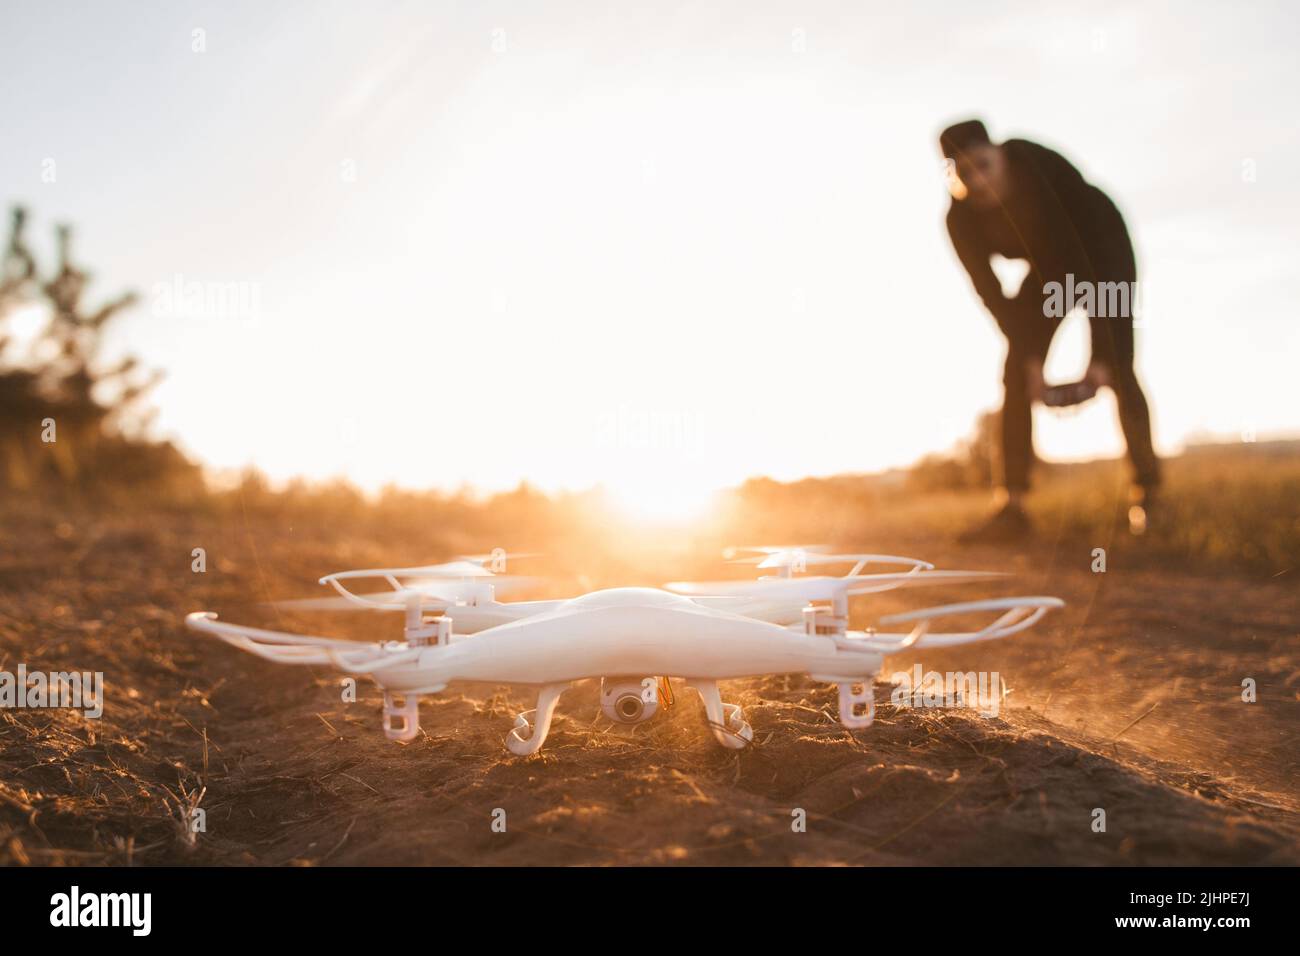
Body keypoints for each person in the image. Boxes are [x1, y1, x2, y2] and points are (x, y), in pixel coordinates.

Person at [939, 119, 1160, 541]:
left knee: (1120, 370)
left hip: (1103, 253)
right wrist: (1030, 362)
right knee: (1014, 376)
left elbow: (1097, 264)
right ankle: (1013, 506)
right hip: (1046, 271)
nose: (979, 181)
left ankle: (1147, 496)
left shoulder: (1039, 165)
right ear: (953, 177)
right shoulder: (959, 221)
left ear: (1000, 154)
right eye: (966, 174)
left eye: (984, 165)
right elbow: (993, 296)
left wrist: (1099, 360)